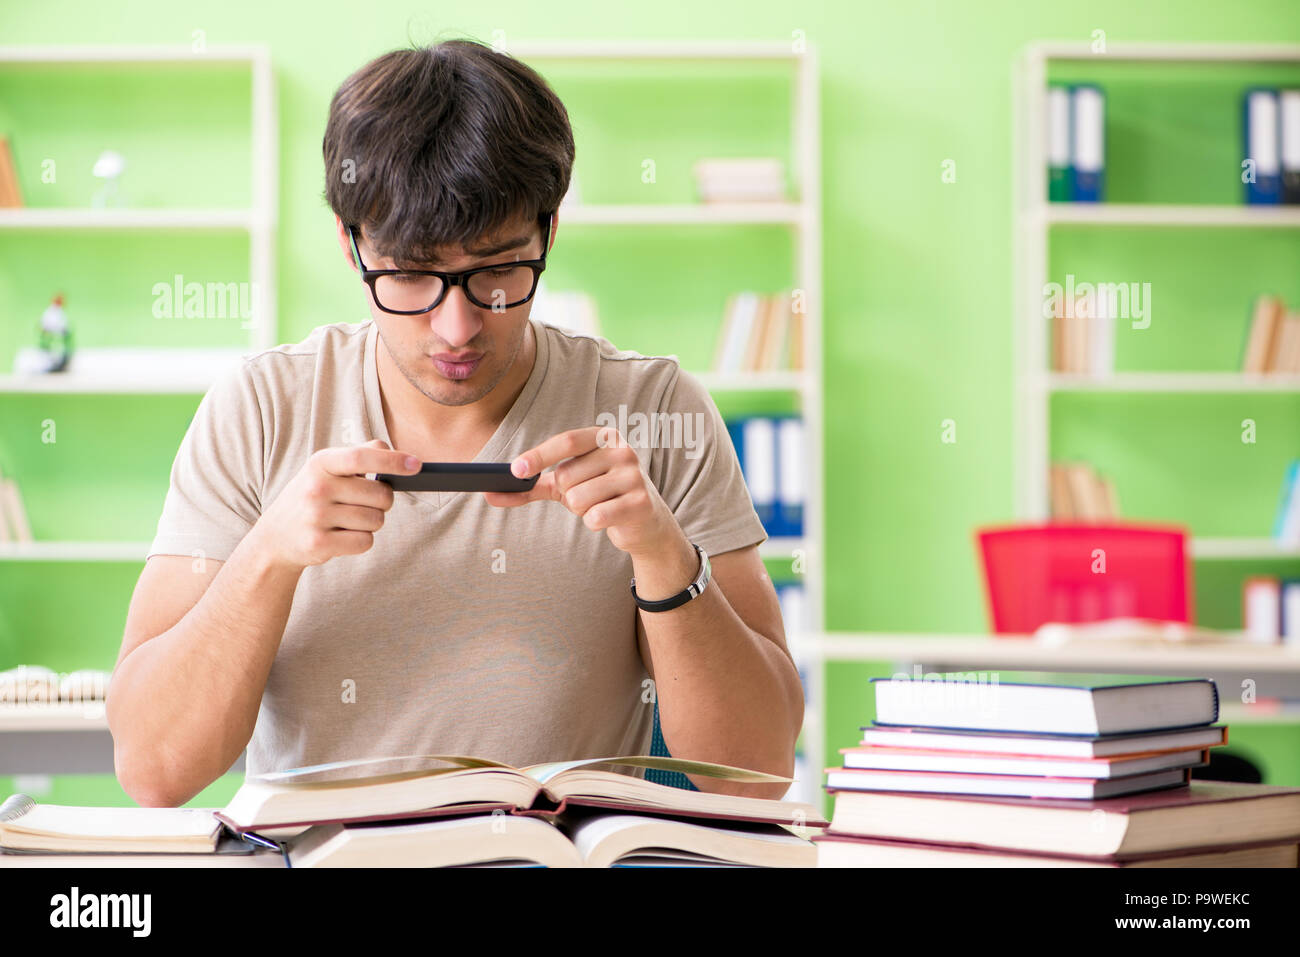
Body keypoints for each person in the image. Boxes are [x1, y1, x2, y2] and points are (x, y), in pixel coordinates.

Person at [108, 38, 802, 807]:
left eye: (498, 270)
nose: (456, 327)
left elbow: (759, 769)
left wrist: (664, 553)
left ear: (549, 232)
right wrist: (268, 555)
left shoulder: (655, 410)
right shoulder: (259, 410)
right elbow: (154, 768)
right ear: (350, 245)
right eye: (409, 274)